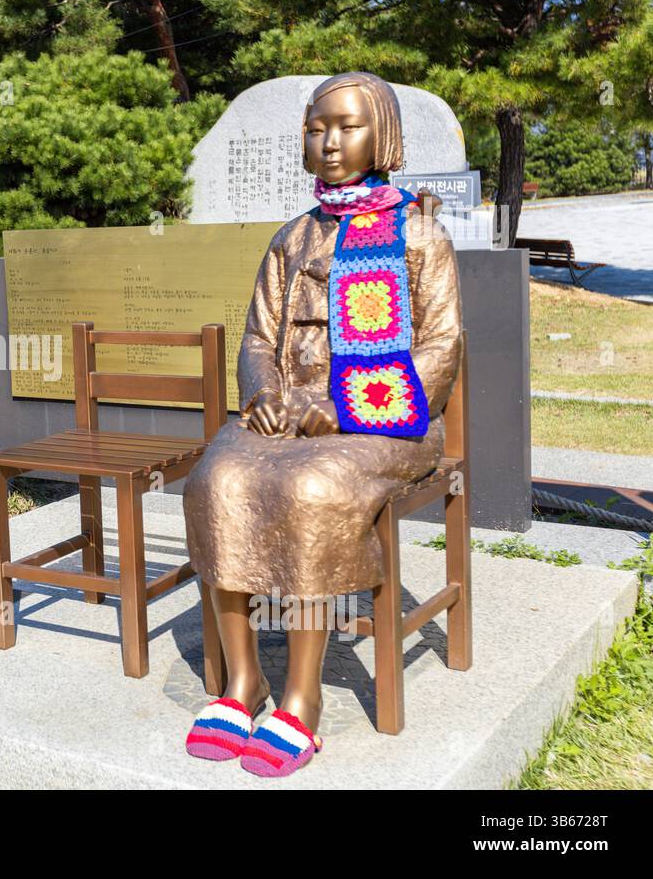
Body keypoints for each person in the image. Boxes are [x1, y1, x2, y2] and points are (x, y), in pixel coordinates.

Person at [181, 72, 463, 776]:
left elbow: (442, 347)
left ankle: (302, 696)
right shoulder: (291, 238)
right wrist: (266, 394)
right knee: (218, 478)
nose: (329, 141)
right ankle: (244, 681)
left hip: (381, 419)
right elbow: (256, 337)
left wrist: (339, 407)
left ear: (384, 137)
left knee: (309, 490)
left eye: (347, 126)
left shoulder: (419, 234)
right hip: (287, 414)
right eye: (316, 127)